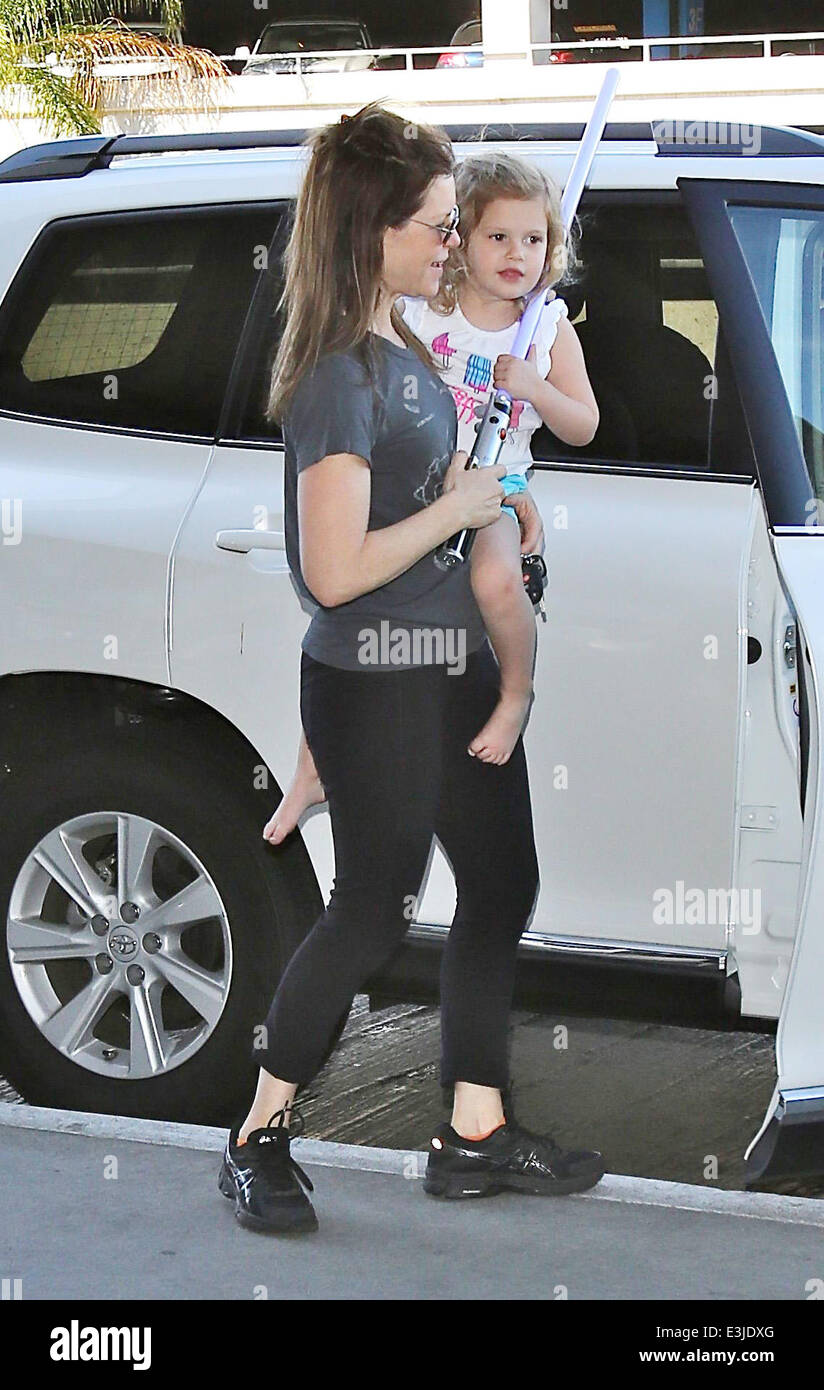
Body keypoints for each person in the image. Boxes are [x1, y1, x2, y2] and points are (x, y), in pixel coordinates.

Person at [218, 104, 605, 1235]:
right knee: (373, 911)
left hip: (453, 658)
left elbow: (469, 479)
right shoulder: (340, 376)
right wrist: (458, 506)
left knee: (499, 886)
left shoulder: (401, 344)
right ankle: (257, 1136)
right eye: (436, 224)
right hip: (378, 674)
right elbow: (333, 573)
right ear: (370, 229)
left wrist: (504, 502)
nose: (452, 242)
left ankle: (473, 1132)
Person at [265, 148, 598, 845]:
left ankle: (515, 693)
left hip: (497, 488)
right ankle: (319, 755)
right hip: (426, 497)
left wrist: (532, 390)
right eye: (493, 237)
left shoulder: (545, 327)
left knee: (499, 579)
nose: (517, 253)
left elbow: (585, 422)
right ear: (460, 243)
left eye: (534, 240)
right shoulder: (419, 317)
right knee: (370, 626)